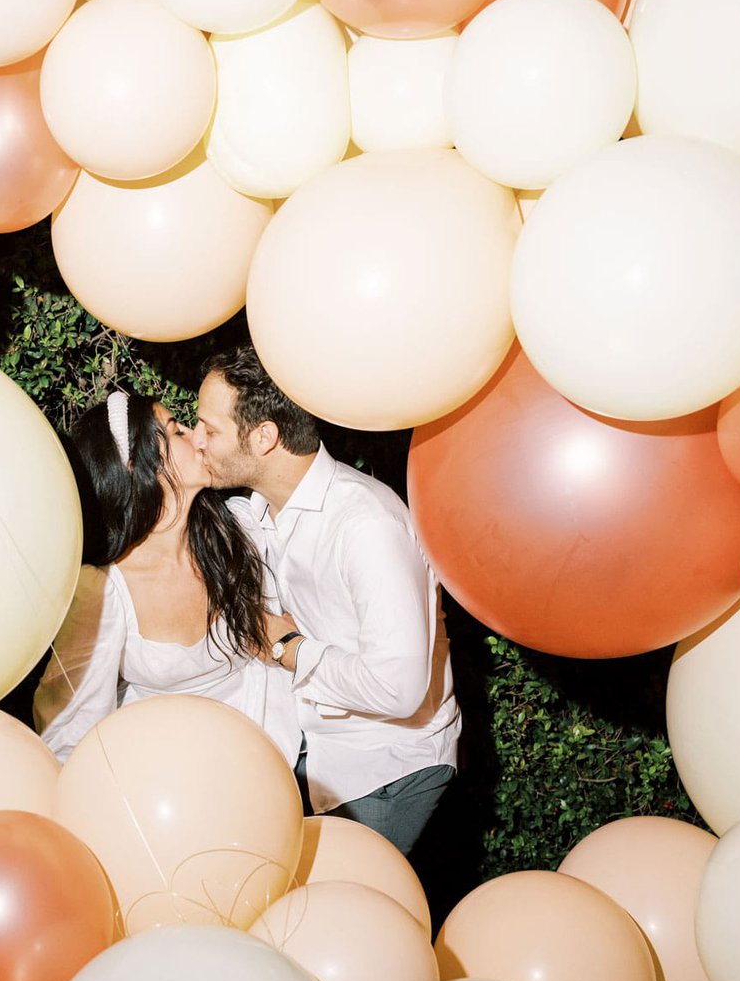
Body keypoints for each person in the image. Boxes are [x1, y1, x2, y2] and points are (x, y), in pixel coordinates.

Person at [193, 346, 459, 857]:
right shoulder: (260, 512)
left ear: (264, 436)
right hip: (318, 761)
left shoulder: (364, 525)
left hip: (385, 770)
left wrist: (290, 648)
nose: (198, 441)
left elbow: (399, 688)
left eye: (210, 429)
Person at [33, 388, 301, 764]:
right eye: (176, 431)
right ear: (136, 467)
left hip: (283, 753)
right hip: (175, 781)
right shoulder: (105, 589)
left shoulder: (241, 526)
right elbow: (70, 730)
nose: (197, 436)